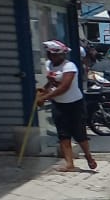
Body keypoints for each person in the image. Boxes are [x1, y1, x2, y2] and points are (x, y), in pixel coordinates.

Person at [37, 40, 94, 173]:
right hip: (58, 104)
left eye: (59, 55)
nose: (56, 57)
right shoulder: (48, 65)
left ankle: (88, 156)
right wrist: (44, 90)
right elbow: (52, 81)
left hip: (74, 104)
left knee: (79, 134)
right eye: (53, 55)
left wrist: (45, 97)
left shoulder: (70, 67)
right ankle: (69, 163)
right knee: (63, 135)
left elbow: (64, 87)